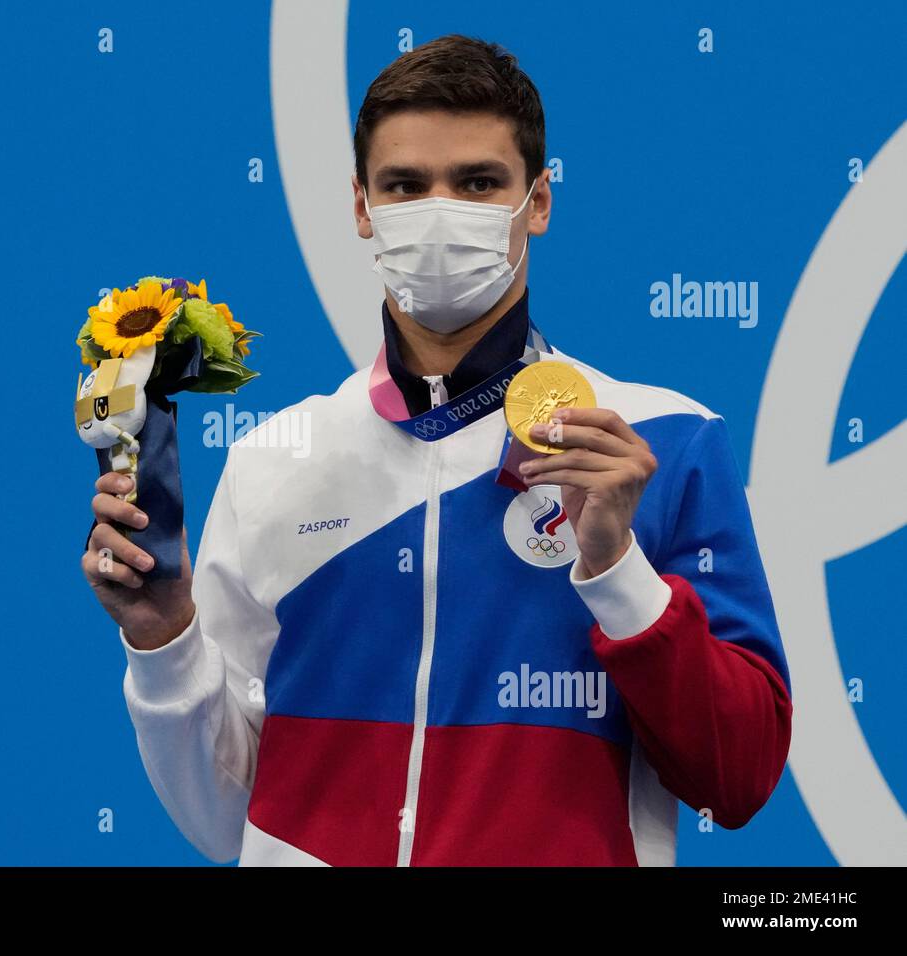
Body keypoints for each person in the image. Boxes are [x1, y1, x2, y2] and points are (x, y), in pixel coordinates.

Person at [80, 34, 792, 866]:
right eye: (406, 187)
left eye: (479, 183)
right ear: (361, 208)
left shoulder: (661, 442)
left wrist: (617, 572)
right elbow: (228, 817)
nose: (440, 212)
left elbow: (740, 777)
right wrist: (165, 641)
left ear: (539, 202)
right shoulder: (277, 458)